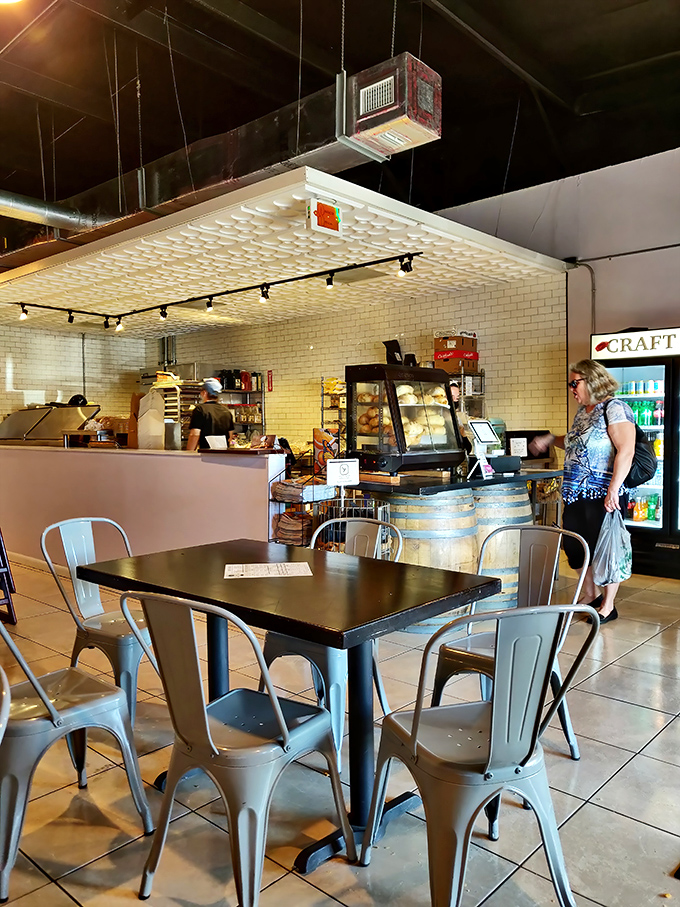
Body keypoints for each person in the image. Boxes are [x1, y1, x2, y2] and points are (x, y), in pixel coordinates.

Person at [530, 359, 635, 624]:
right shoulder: (584, 411)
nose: (571, 388)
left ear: (593, 381)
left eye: (574, 383)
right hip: (575, 493)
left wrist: (614, 489)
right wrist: (551, 439)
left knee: (605, 550)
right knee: (575, 547)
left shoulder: (616, 408)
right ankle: (591, 594)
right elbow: (576, 444)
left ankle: (608, 606)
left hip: (603, 494)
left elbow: (626, 449)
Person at [186, 378, 235, 451]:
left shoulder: (200, 410)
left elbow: (195, 434)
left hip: (206, 455)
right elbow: (230, 436)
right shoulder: (226, 411)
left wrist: (189, 453)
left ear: (204, 393)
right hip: (223, 455)